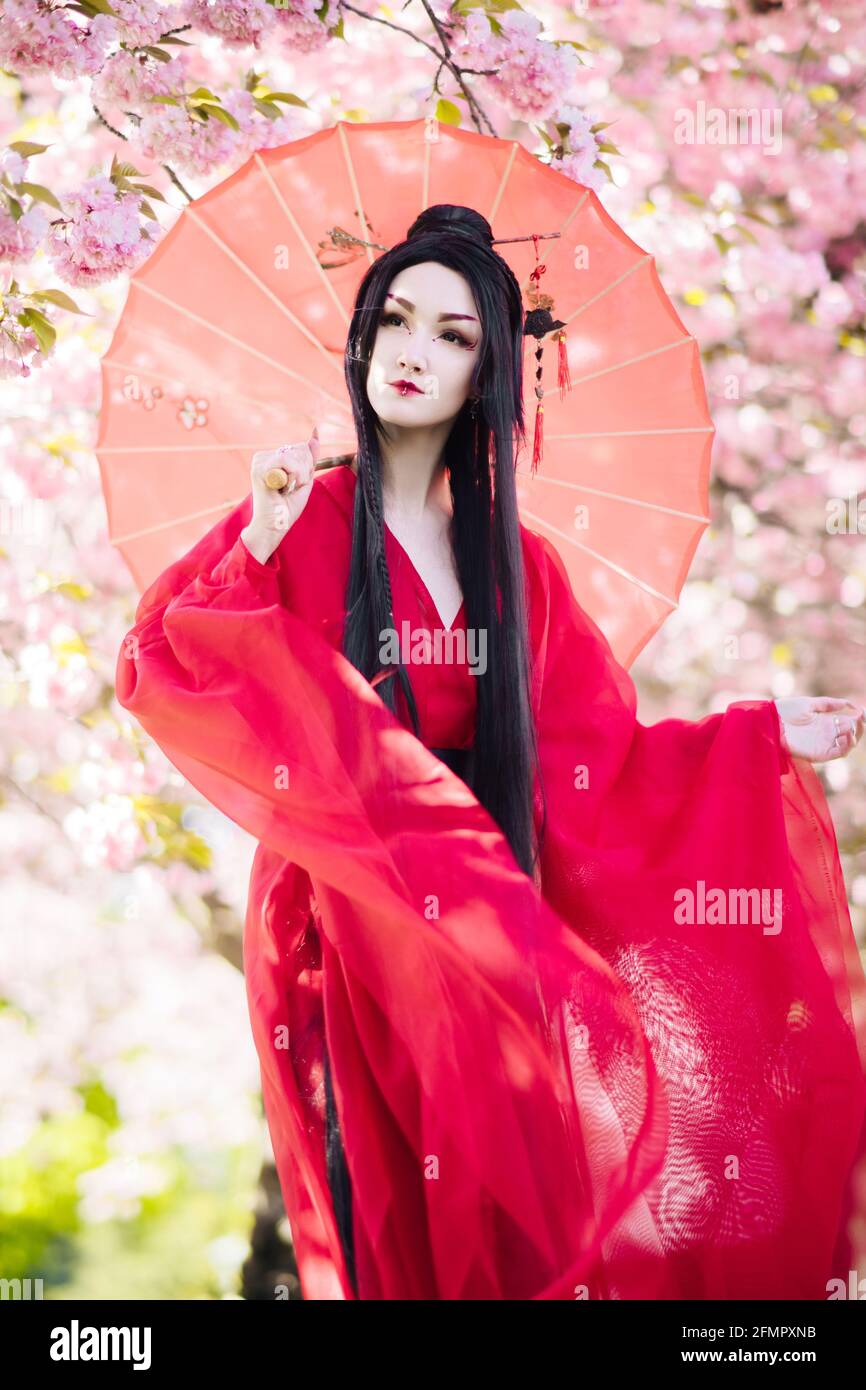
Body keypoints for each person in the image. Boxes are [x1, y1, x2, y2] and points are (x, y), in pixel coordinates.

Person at [116, 204, 866, 1301]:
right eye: (396, 320)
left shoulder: (520, 566)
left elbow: (597, 764)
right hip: (346, 906)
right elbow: (159, 665)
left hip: (486, 900)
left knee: (517, 1207)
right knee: (388, 1211)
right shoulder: (297, 512)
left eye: (454, 336)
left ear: (489, 375)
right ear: (362, 335)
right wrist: (257, 546)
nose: (413, 353)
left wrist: (750, 737)